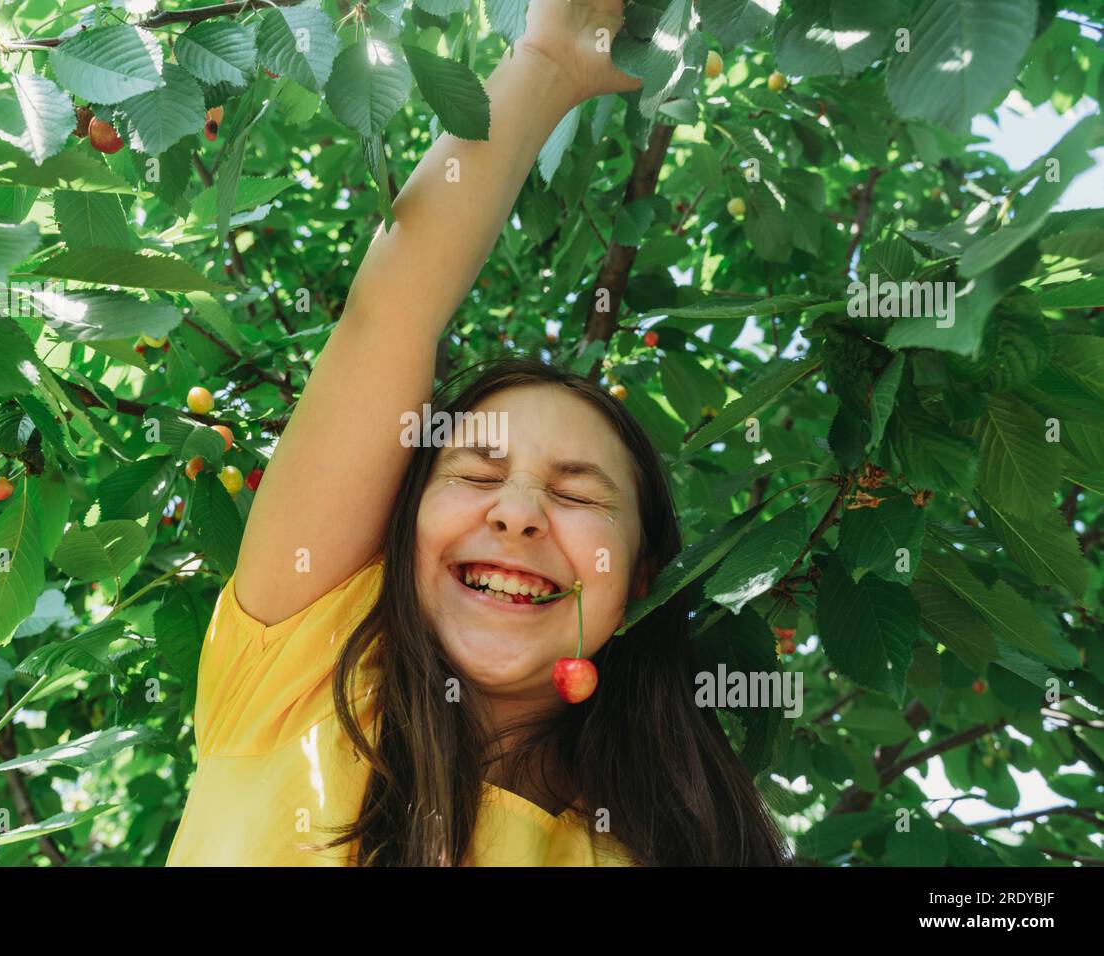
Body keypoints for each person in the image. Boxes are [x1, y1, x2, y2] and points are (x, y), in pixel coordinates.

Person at [166, 0, 787, 866]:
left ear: (640, 575)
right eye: (473, 473)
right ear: (399, 527)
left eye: (576, 493)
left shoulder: (669, 848)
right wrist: (549, 60)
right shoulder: (299, 665)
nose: (519, 513)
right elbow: (388, 314)